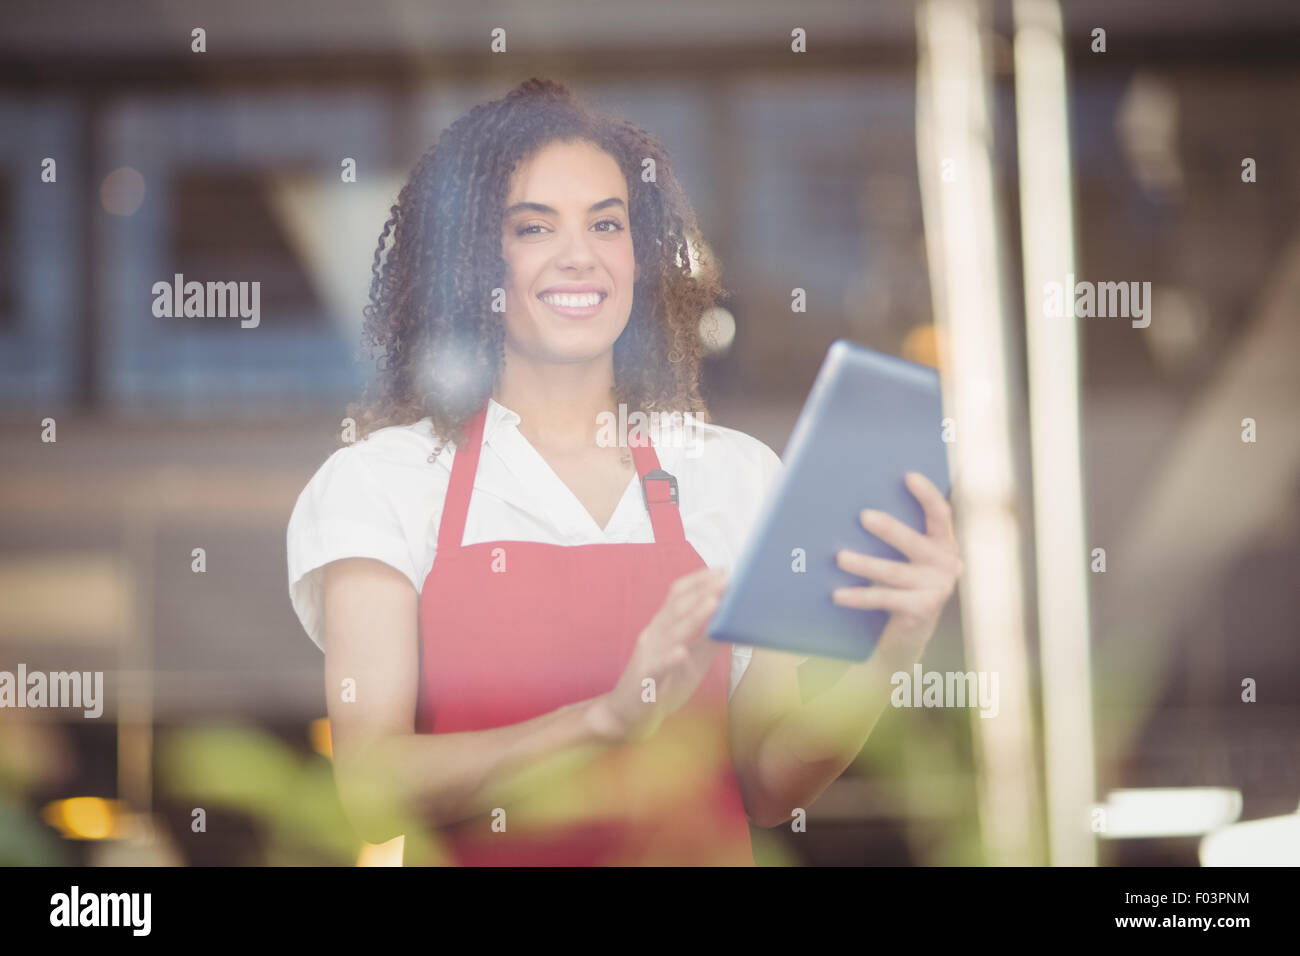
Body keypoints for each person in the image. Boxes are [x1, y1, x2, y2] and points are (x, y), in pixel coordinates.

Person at [286, 78, 962, 865]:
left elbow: (771, 783)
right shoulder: (384, 484)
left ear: (637, 258)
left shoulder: (732, 476)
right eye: (534, 227)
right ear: (475, 262)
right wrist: (604, 719)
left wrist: (892, 651)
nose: (581, 255)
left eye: (606, 224)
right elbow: (371, 788)